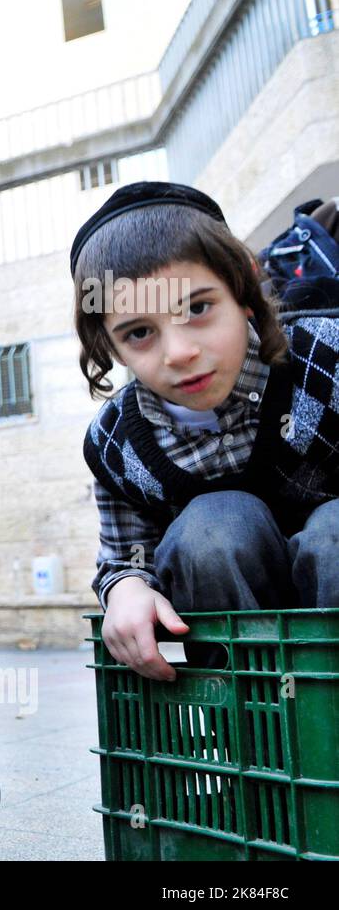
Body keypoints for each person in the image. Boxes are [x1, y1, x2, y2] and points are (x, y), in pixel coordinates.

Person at [75, 182, 339, 680]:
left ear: (243, 292)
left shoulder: (327, 359)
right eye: (139, 332)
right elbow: (125, 556)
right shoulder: (117, 443)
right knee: (215, 525)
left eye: (197, 308)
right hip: (238, 667)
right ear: (108, 344)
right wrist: (127, 589)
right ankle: (262, 740)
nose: (178, 352)